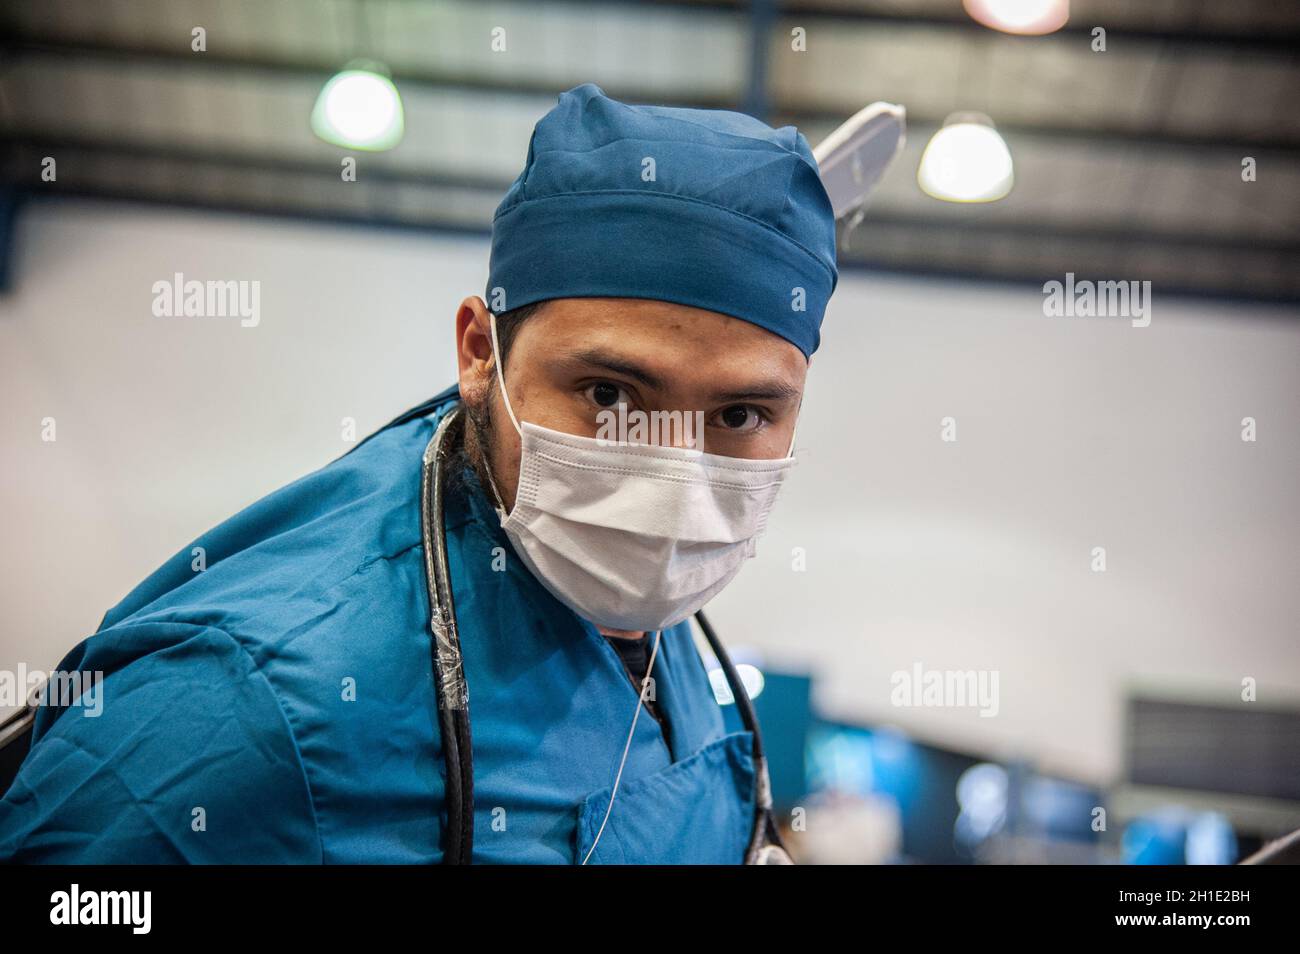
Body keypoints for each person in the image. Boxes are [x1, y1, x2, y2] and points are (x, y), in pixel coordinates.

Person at [0, 82, 837, 863]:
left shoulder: (638, 611)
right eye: (610, 393)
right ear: (481, 354)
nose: (673, 486)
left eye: (738, 416)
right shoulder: (251, 708)